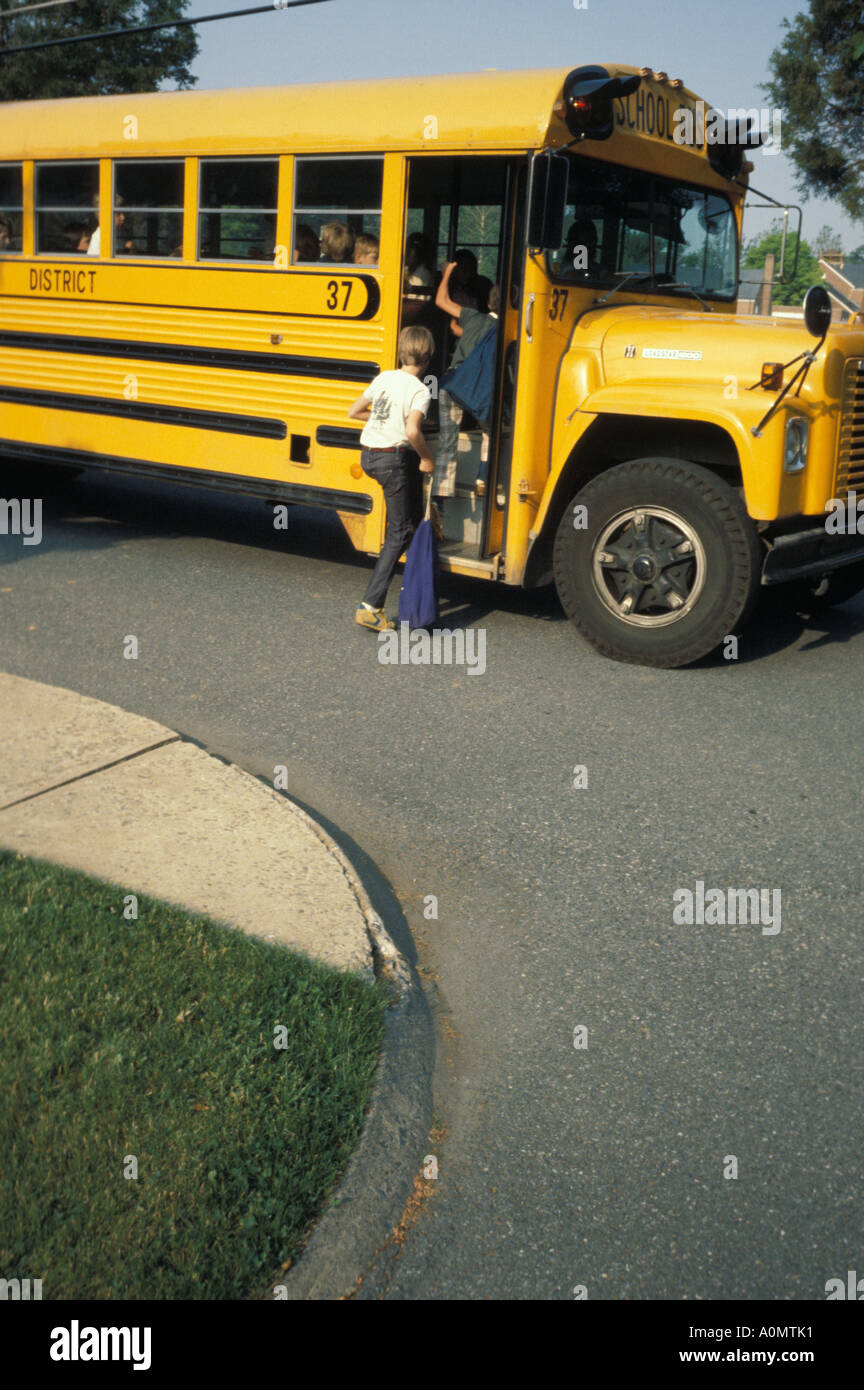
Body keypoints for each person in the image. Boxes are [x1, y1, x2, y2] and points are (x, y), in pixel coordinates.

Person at [347, 326, 435, 631]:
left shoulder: (384, 377)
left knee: (403, 527)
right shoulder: (420, 390)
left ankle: (401, 590)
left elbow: (354, 411)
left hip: (369, 455)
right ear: (427, 359)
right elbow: (412, 431)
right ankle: (370, 607)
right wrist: (426, 458)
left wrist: (383, 421)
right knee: (399, 533)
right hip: (390, 460)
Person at [433, 262, 500, 498]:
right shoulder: (505, 329)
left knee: (448, 440)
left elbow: (441, 301)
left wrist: (448, 273)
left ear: (489, 303)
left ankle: (441, 494)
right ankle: (482, 477)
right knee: (490, 432)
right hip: (480, 388)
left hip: (454, 384)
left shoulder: (472, 317)